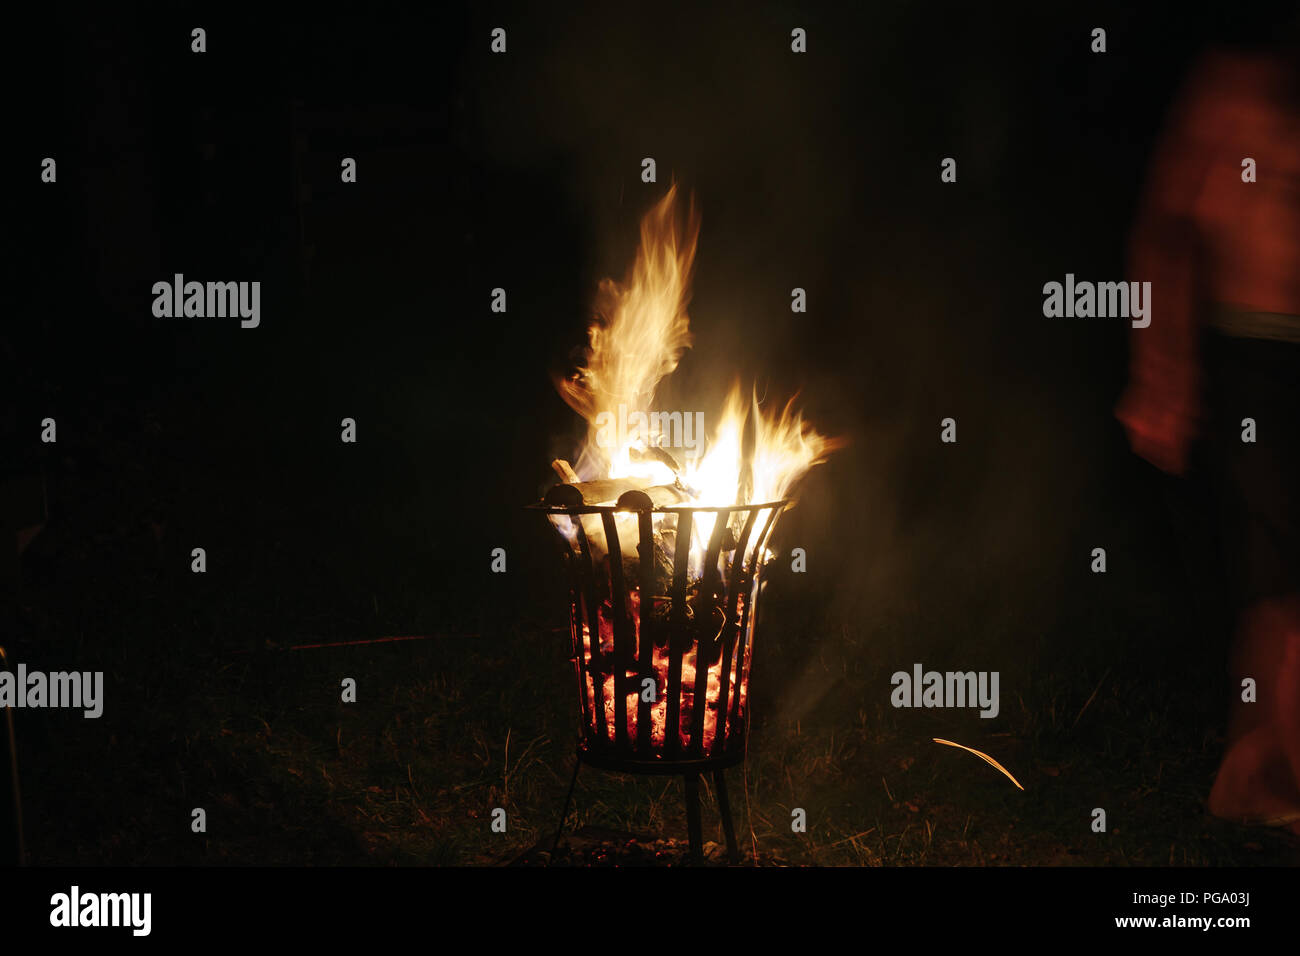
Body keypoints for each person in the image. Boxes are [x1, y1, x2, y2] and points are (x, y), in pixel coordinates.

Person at [1116, 38, 1300, 832]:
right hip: (1251, 357)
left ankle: (1255, 777)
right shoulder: (1236, 84)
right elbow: (1165, 228)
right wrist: (1160, 368)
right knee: (1280, 590)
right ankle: (1259, 780)